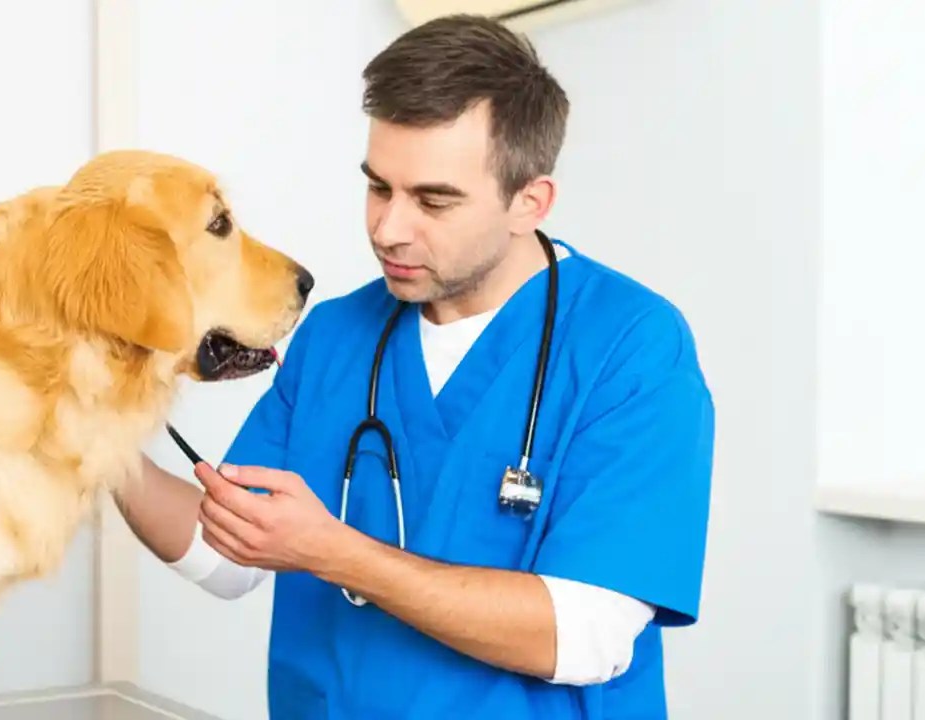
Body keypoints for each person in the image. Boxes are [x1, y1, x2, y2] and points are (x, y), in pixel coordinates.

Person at [114, 13, 714, 720]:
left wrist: (337, 553)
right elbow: (231, 555)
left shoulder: (632, 347)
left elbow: (583, 635)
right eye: (378, 187)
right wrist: (94, 451)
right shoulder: (336, 335)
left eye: (433, 200)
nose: (387, 228)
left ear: (530, 202)